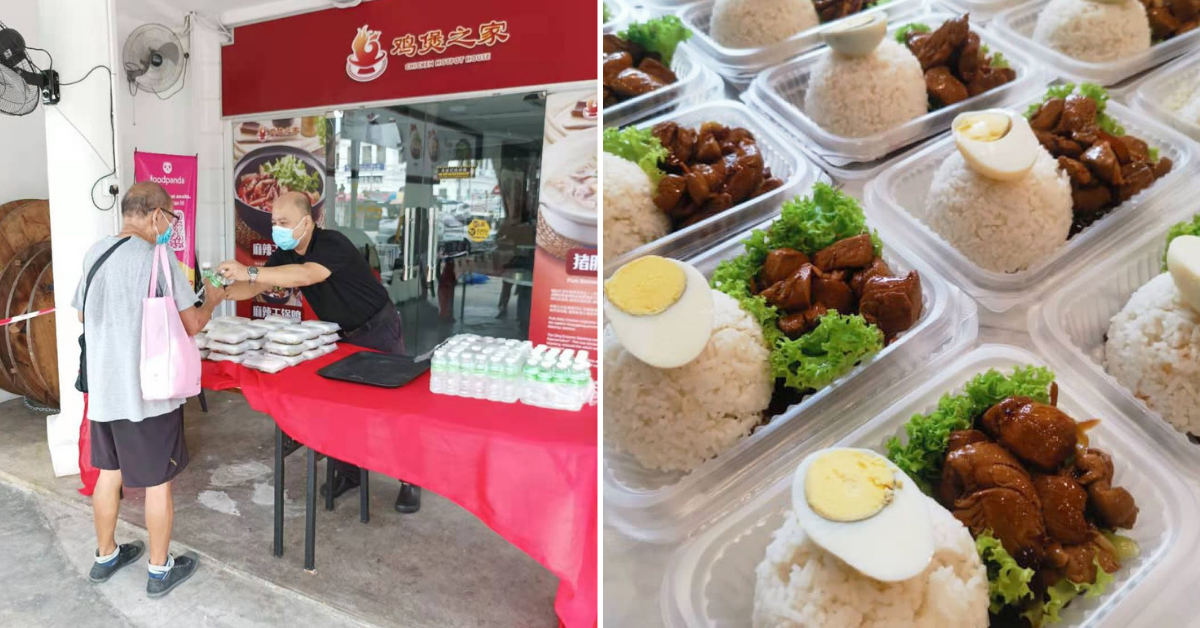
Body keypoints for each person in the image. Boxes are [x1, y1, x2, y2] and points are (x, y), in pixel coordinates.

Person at [216, 191, 422, 514]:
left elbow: (307, 274)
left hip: (378, 328)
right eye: (273, 223)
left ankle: (409, 478)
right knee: (340, 407)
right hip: (339, 335)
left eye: (284, 222)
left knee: (389, 408)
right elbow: (256, 286)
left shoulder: (332, 244)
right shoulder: (285, 253)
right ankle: (349, 472)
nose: (277, 229)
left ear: (307, 222)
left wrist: (250, 271)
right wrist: (219, 292)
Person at [74, 181, 225, 597]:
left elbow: (83, 317)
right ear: (156, 215)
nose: (171, 227)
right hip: (149, 392)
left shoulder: (94, 253)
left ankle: (106, 557)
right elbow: (191, 324)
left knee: (109, 473)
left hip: (105, 391)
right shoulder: (159, 258)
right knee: (158, 482)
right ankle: (160, 571)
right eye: (171, 218)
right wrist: (211, 299)